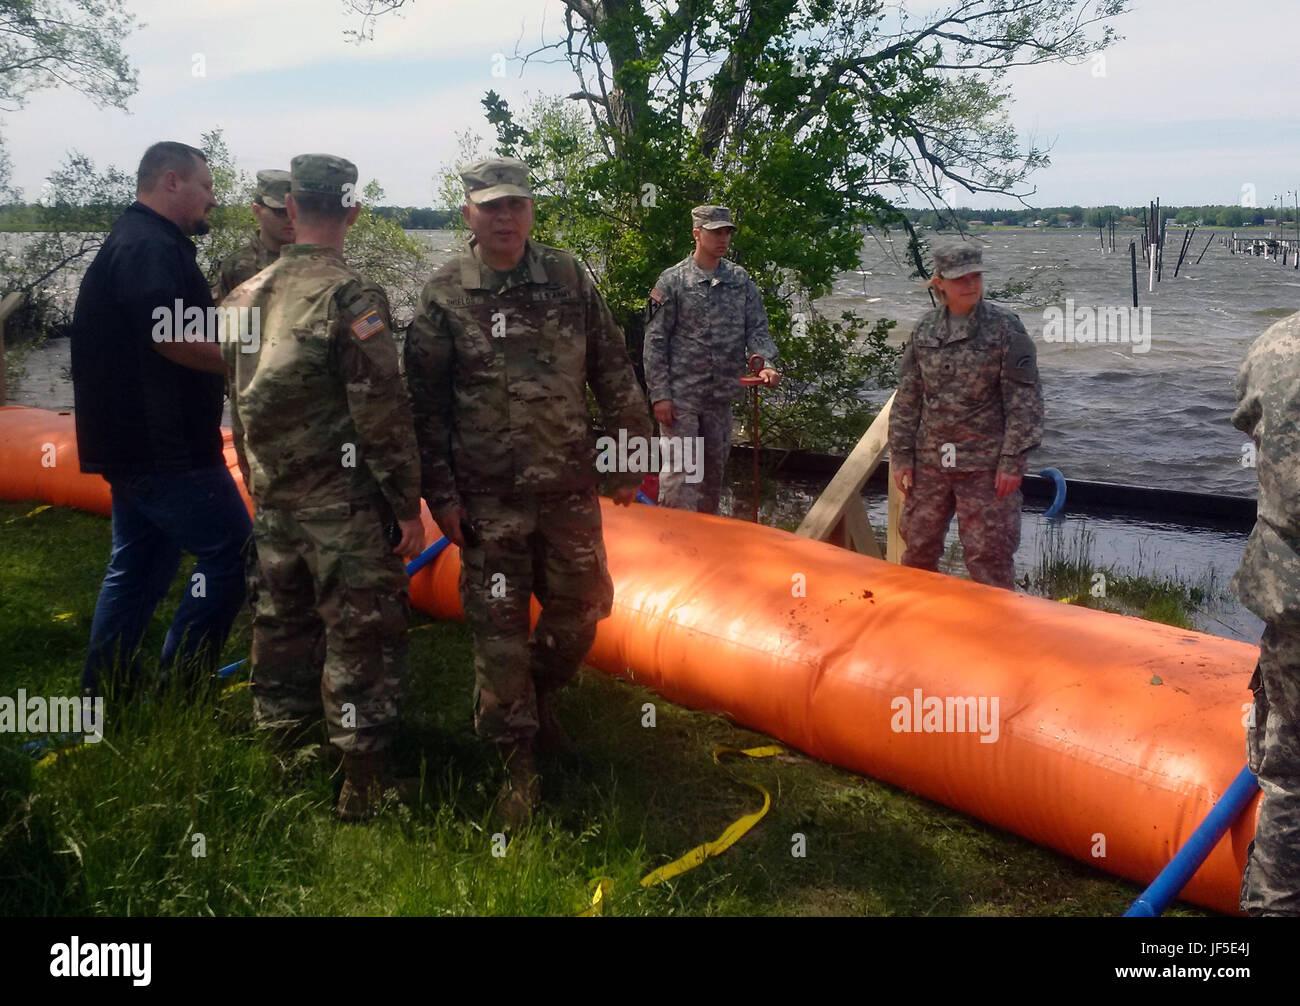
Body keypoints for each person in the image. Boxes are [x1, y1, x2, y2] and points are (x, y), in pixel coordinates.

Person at [404, 156, 651, 827]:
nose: (505, 217)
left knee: (584, 607)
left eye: (516, 204)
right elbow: (422, 408)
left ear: (531, 210)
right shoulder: (445, 294)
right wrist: (441, 497)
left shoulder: (568, 276)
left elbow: (610, 363)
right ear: (469, 215)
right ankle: (517, 763)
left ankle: (535, 701)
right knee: (500, 633)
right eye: (491, 206)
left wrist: (631, 450)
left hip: (568, 488)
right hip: (488, 501)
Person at [222, 153, 424, 821]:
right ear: (354, 212)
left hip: (274, 501)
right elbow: (382, 412)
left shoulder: (241, 298)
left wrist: (259, 485)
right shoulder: (352, 299)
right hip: (342, 507)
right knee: (359, 636)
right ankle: (362, 779)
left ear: (289, 210)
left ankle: (281, 758)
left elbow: (238, 406)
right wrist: (406, 504)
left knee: (280, 628)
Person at [71, 141, 251, 699]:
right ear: (172, 181)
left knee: (140, 566)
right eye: (206, 187)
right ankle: (182, 691)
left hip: (133, 446)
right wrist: (257, 360)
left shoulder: (146, 240)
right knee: (232, 552)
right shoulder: (148, 245)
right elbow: (171, 337)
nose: (212, 200)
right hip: (163, 449)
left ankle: (105, 696)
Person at [887, 242, 1043, 590]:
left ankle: (995, 636)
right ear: (940, 281)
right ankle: (913, 627)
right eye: (960, 279)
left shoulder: (1006, 328)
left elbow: (1024, 399)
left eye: (975, 277)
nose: (970, 285)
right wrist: (900, 456)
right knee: (917, 551)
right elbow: (908, 397)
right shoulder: (925, 329)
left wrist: (1012, 460)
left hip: (985, 467)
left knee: (988, 559)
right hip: (930, 464)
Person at [643, 205, 780, 514]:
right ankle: (674, 550)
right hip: (681, 400)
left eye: (727, 232)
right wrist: (660, 395)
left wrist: (766, 362)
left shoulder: (739, 280)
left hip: (720, 399)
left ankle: (705, 553)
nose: (722, 238)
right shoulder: (671, 282)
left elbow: (757, 329)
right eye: (715, 232)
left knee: (711, 481)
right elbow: (654, 341)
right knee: (680, 482)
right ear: (696, 234)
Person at [1232, 309, 1300, 916]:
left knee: (1289, 773)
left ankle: (1272, 907)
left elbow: (1250, 422)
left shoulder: (1276, 343)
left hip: (1290, 591)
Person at [214, 169, 294, 300]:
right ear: (257, 211)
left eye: (294, 211)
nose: (290, 218)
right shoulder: (235, 267)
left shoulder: (316, 263)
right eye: (281, 212)